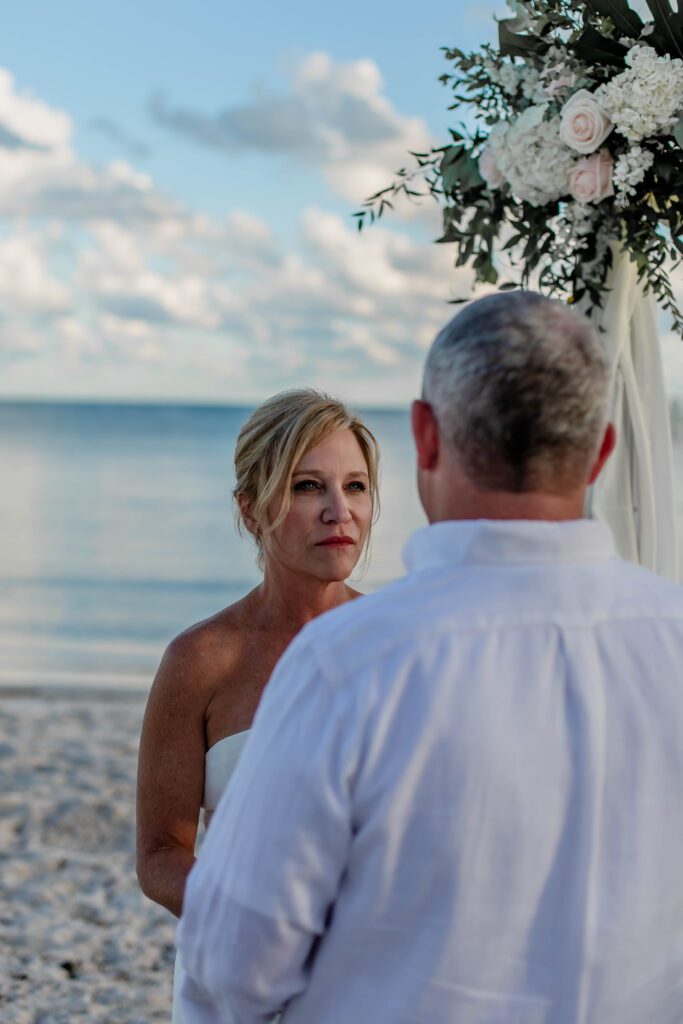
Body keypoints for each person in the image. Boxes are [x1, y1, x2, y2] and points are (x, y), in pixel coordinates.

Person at [176, 292, 683, 1024]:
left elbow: (235, 964)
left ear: (425, 436)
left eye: (352, 485)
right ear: (601, 450)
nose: (338, 507)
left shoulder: (348, 666)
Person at [135, 388, 379, 1024]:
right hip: (236, 977)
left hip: (375, 973)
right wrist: (245, 921)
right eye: (306, 487)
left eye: (355, 486)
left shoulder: (399, 646)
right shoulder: (200, 661)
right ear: (249, 510)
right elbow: (161, 853)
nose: (339, 511)